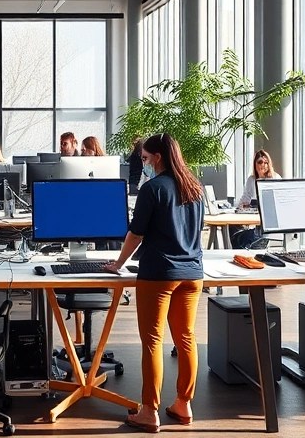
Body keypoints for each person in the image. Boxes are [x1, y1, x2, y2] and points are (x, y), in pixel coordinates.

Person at [103, 133, 204, 431]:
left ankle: (150, 411)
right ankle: (184, 405)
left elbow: (136, 234)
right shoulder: (195, 187)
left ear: (157, 157)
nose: (143, 163)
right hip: (192, 273)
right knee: (185, 338)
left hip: (159, 273)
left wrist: (118, 264)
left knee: (153, 342)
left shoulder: (153, 189)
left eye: (145, 158)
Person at [230, 149, 282, 249]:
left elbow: (279, 200)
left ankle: (257, 243)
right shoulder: (251, 180)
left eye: (266, 162)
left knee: (240, 238)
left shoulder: (275, 178)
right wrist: (239, 208)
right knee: (233, 229)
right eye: (260, 162)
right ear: (255, 164)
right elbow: (245, 198)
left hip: (269, 220)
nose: (263, 165)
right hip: (255, 217)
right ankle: (242, 253)